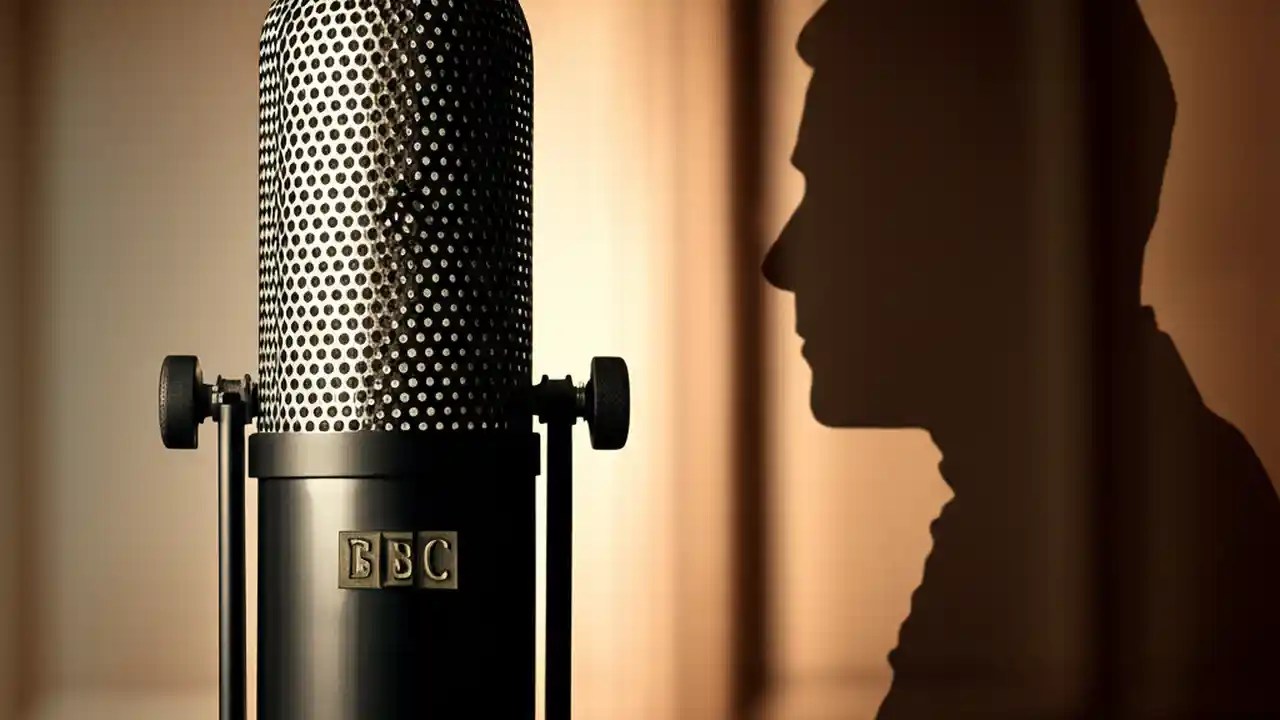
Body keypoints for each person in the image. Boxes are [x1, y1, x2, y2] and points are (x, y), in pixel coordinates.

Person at [762, 1, 1280, 716]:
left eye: (832, 190)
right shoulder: (1067, 515)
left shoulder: (1102, 563)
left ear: (956, 213)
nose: (781, 261)